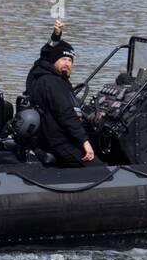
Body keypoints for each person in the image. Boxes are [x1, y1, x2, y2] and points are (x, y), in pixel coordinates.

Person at [24, 18, 95, 167]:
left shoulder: (39, 75)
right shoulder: (52, 83)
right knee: (99, 168)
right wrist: (85, 142)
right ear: (53, 60)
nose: (67, 64)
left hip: (47, 139)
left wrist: (55, 38)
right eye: (63, 59)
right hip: (60, 142)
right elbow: (66, 114)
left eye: (70, 60)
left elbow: (43, 57)